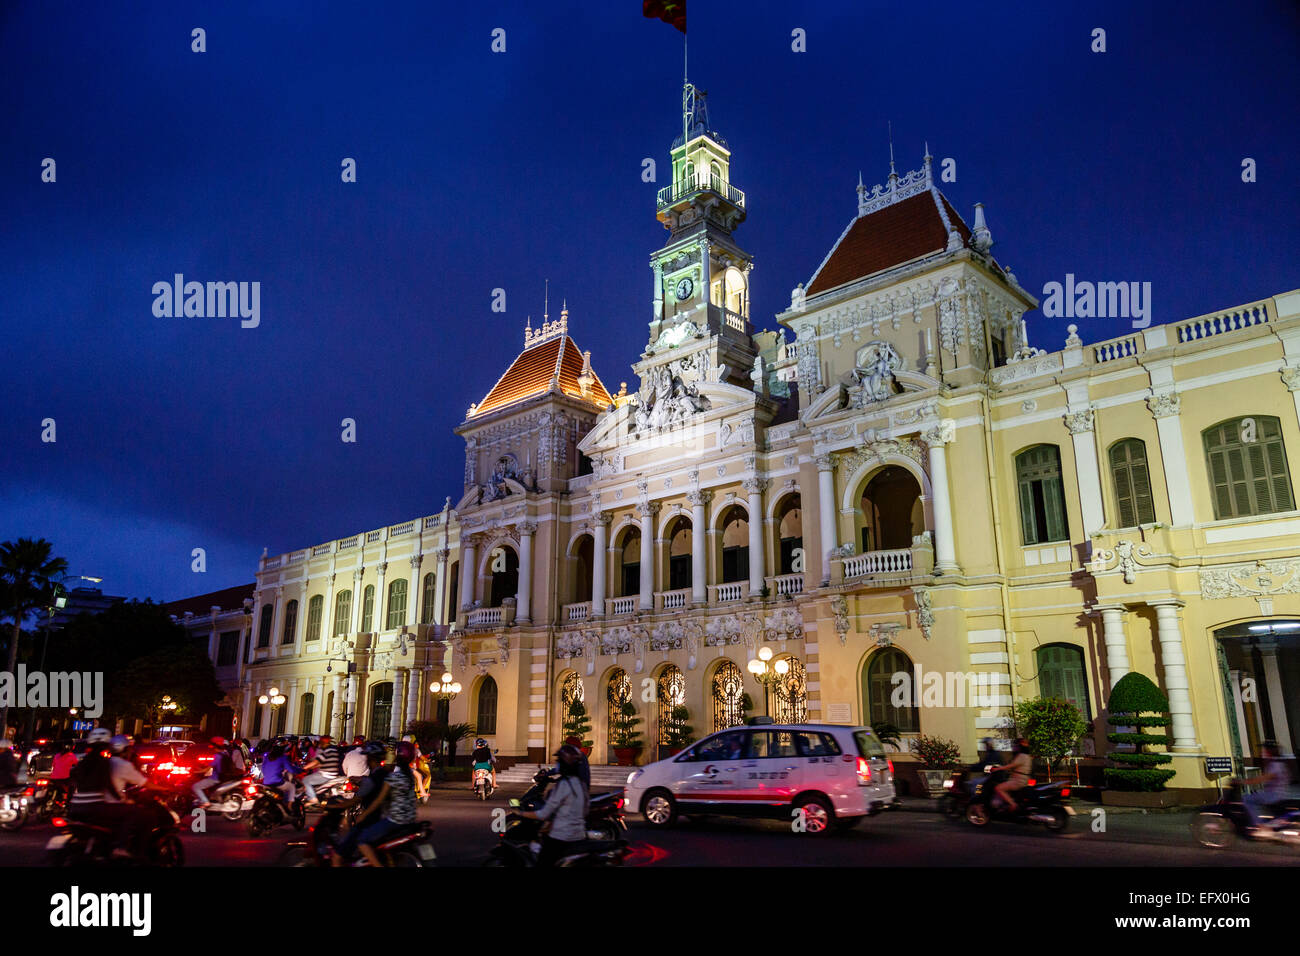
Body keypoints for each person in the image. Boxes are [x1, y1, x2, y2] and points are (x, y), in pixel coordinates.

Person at [518, 744, 589, 867]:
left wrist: (520, 813)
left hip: (561, 836)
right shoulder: (581, 784)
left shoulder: (564, 785)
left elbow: (543, 814)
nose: (557, 764)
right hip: (579, 835)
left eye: (559, 761)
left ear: (565, 764)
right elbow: (585, 810)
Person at [352, 740, 419, 867]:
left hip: (395, 820)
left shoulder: (393, 778)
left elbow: (379, 800)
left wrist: (364, 814)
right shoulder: (409, 775)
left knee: (361, 840)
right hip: (410, 819)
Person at [330, 741, 389, 865]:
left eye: (367, 757)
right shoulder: (386, 775)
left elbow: (354, 801)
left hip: (370, 821)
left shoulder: (372, 780)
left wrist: (333, 806)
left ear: (370, 758)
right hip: (384, 819)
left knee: (337, 857)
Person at [1239, 740, 1293, 834]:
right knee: (1255, 797)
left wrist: (1243, 781)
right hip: (1279, 794)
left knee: (1246, 798)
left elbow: (1263, 778)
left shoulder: (1275, 765)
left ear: (1269, 751)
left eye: (1264, 750)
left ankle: (1258, 825)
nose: (1263, 752)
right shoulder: (1279, 762)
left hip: (1273, 795)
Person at [992, 738, 1033, 812]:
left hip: (1018, 781)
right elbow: (1015, 767)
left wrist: (999, 768)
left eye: (1015, 745)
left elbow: (1012, 765)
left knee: (998, 788)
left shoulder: (1022, 756)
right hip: (1021, 779)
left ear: (1020, 746)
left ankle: (1013, 804)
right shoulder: (1026, 756)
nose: (1014, 747)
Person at [302, 734, 342, 805]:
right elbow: (322, 763)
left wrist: (303, 768)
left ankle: (312, 799)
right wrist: (311, 767)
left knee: (305, 780)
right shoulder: (333, 750)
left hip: (326, 775)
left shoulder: (325, 751)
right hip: (332, 774)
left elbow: (316, 761)